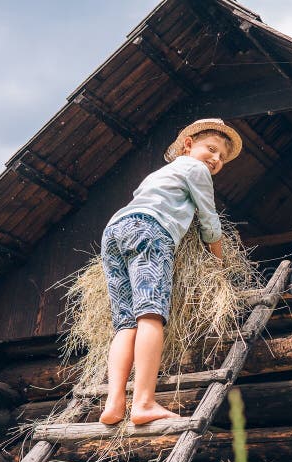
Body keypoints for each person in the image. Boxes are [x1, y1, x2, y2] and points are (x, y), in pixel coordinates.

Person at [98, 118, 242, 425]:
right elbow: (209, 221)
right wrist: (219, 264)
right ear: (188, 145)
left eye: (222, 158)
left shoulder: (157, 175)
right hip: (149, 231)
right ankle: (144, 403)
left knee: (125, 324)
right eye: (211, 149)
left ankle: (114, 403)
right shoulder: (195, 169)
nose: (215, 160)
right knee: (150, 314)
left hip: (114, 232)